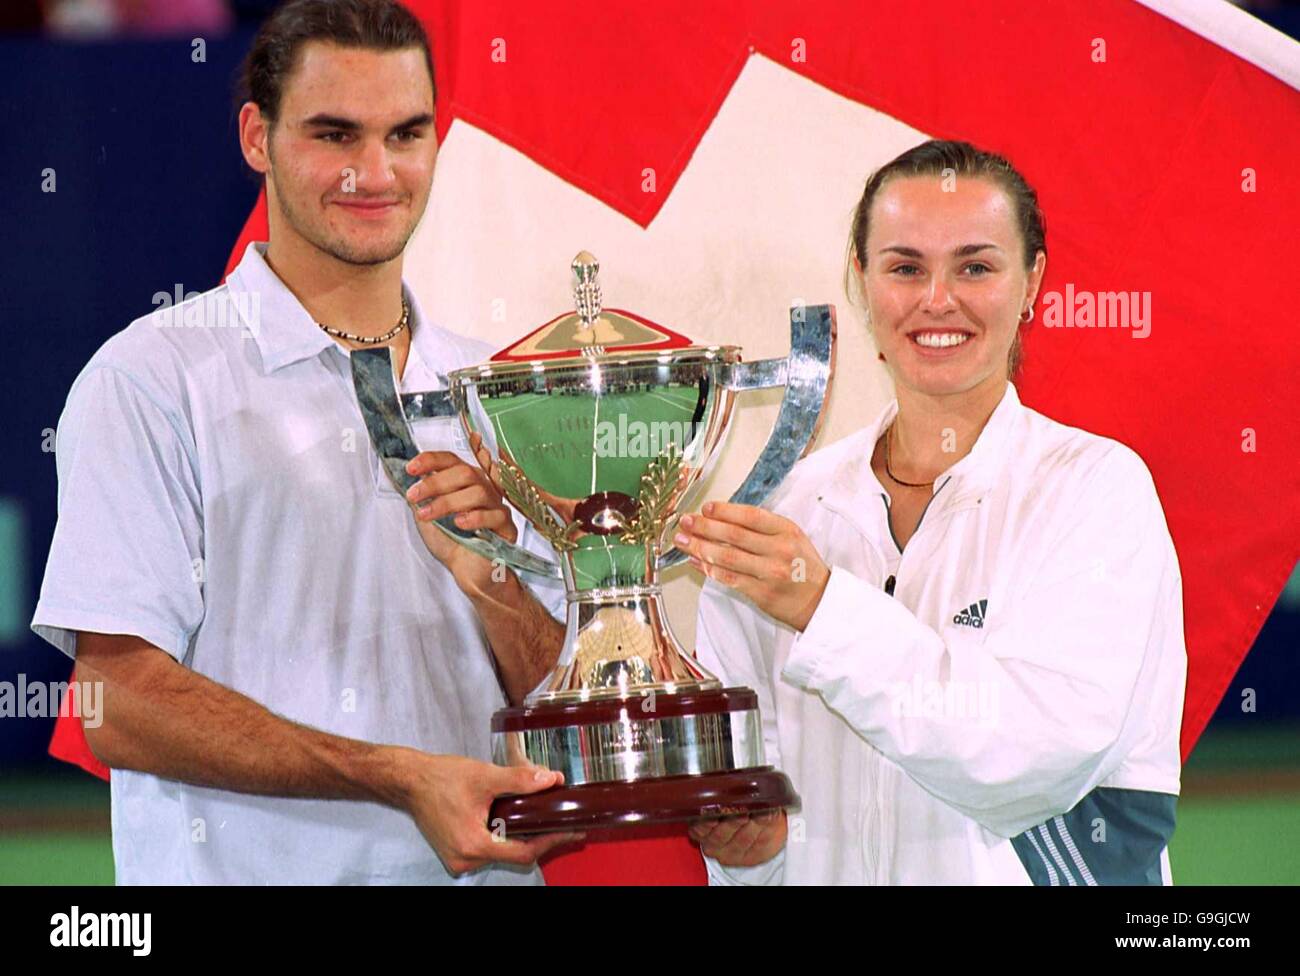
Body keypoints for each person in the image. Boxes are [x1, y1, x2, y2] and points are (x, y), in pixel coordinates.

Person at [30, 0, 579, 884]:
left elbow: (571, 715)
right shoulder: (151, 379)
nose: (377, 171)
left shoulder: (501, 395)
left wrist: (495, 580)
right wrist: (394, 777)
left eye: (407, 133)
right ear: (257, 136)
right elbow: (117, 704)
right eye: (335, 135)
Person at [676, 140, 1187, 885]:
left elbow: (1027, 755)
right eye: (905, 267)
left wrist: (824, 609)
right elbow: (767, 820)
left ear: (1032, 281)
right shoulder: (788, 511)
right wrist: (754, 850)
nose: (937, 301)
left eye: (975, 267)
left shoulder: (1096, 491)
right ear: (860, 281)